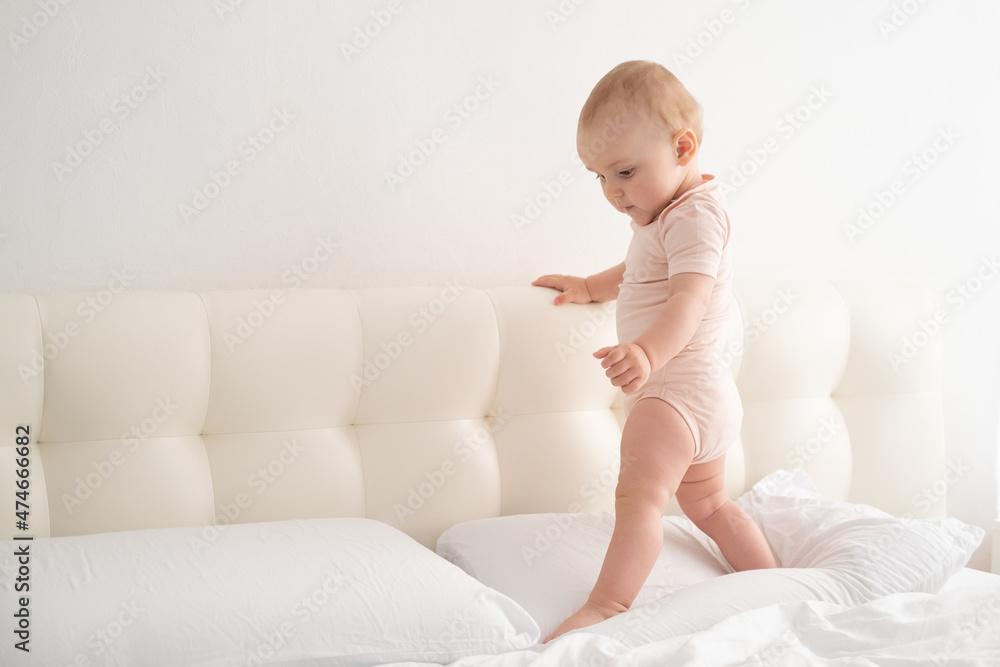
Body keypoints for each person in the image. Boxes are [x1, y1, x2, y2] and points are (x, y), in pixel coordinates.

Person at [533, 61, 776, 643]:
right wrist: (592, 286)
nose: (612, 192)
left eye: (623, 171)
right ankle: (773, 583)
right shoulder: (671, 213)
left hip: (675, 390)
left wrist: (644, 353)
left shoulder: (696, 217)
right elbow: (643, 269)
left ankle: (609, 605)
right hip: (708, 398)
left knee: (638, 498)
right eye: (598, 178)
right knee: (711, 506)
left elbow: (688, 301)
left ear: (682, 146)